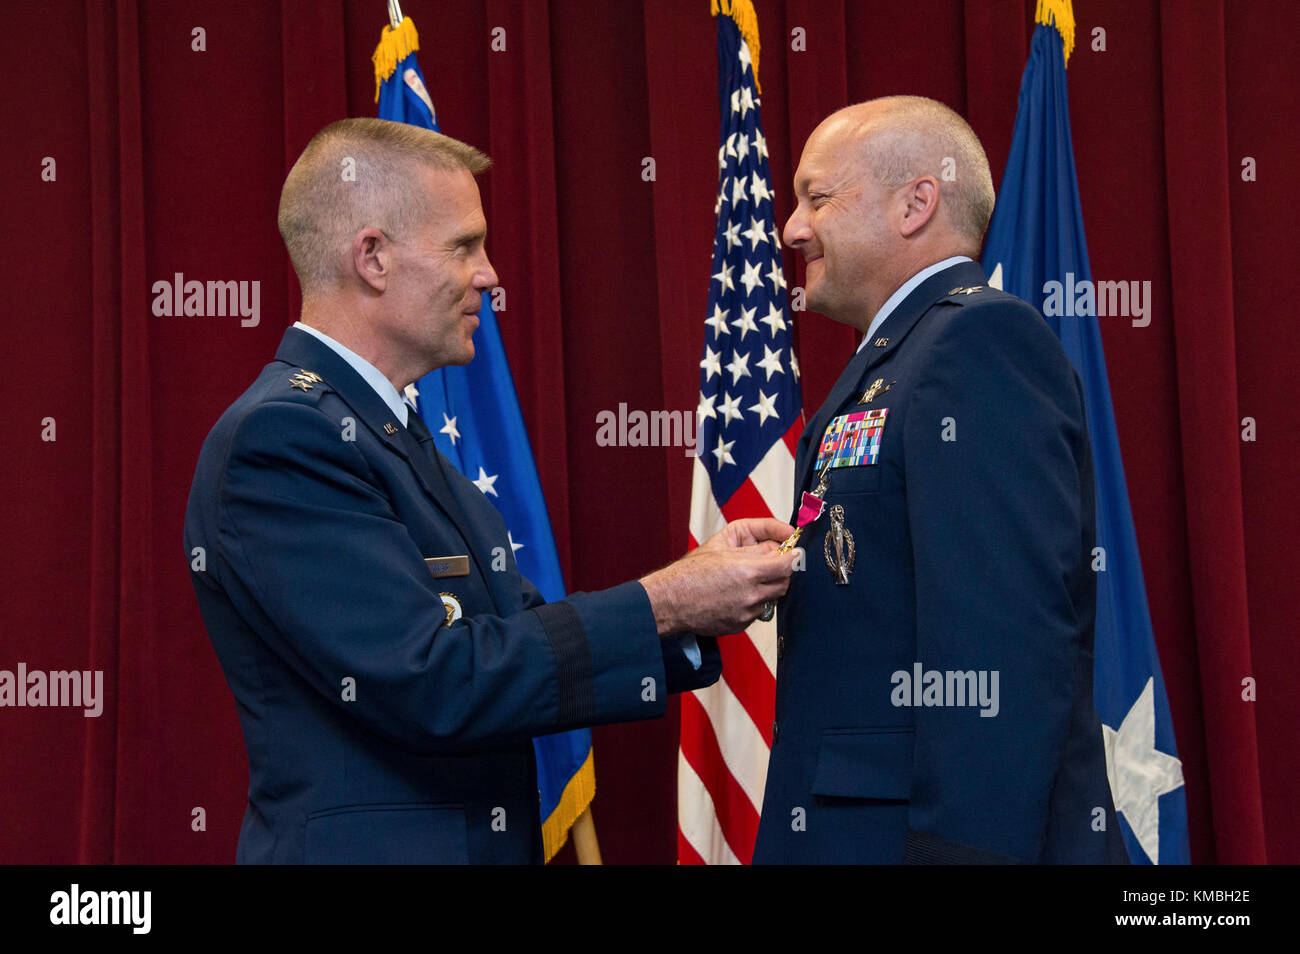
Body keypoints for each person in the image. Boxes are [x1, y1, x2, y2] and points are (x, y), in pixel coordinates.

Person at [184, 118, 798, 864]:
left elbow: (512, 638)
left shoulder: (390, 430)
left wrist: (698, 593)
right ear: (372, 257)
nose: (491, 274)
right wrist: (668, 601)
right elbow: (432, 682)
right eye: (464, 245)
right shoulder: (283, 438)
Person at [753, 97, 1128, 864]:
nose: (791, 228)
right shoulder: (898, 356)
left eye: (817, 198)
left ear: (917, 203)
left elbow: (1002, 656)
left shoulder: (975, 342)